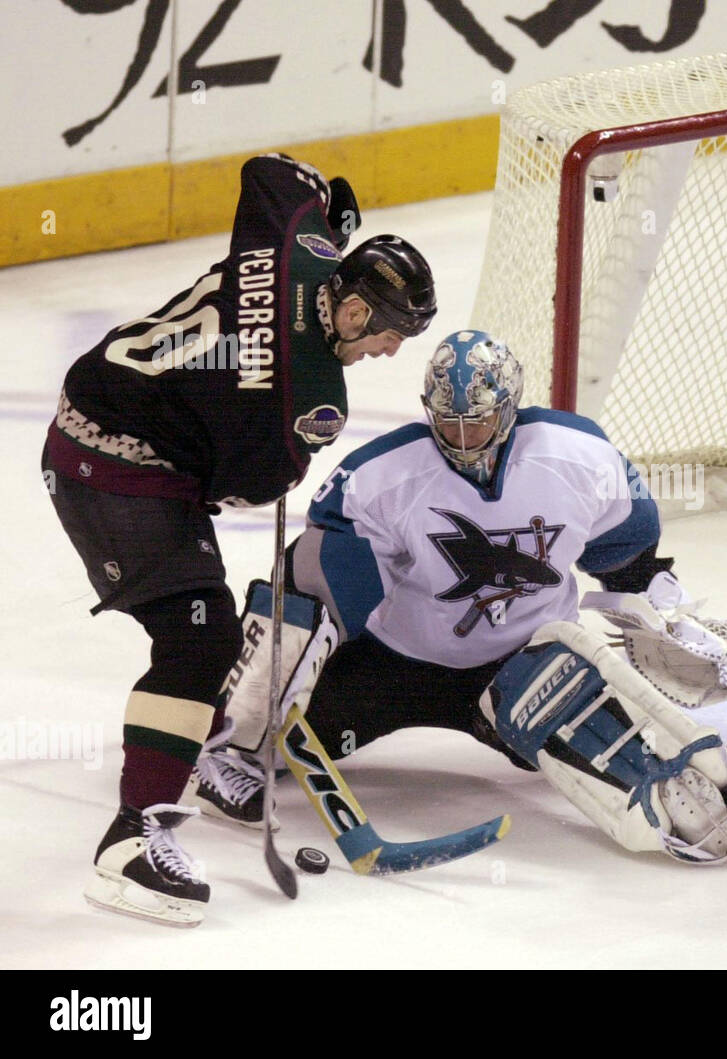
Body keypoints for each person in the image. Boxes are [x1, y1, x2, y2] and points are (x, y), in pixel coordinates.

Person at [42, 152, 437, 926]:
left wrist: (330, 224)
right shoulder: (312, 401)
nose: (388, 352)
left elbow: (274, 171)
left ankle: (203, 747)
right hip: (114, 475)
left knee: (209, 636)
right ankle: (133, 840)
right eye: (389, 335)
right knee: (196, 642)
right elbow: (245, 489)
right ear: (355, 314)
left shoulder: (301, 248)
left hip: (101, 414)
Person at [215, 329, 727, 868]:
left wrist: (666, 616)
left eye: (477, 420)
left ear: (509, 407)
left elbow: (626, 555)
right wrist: (285, 652)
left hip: (523, 670)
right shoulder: (381, 475)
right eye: (447, 421)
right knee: (269, 728)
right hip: (386, 666)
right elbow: (321, 579)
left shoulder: (581, 456)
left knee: (629, 763)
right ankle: (225, 742)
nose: (462, 437)